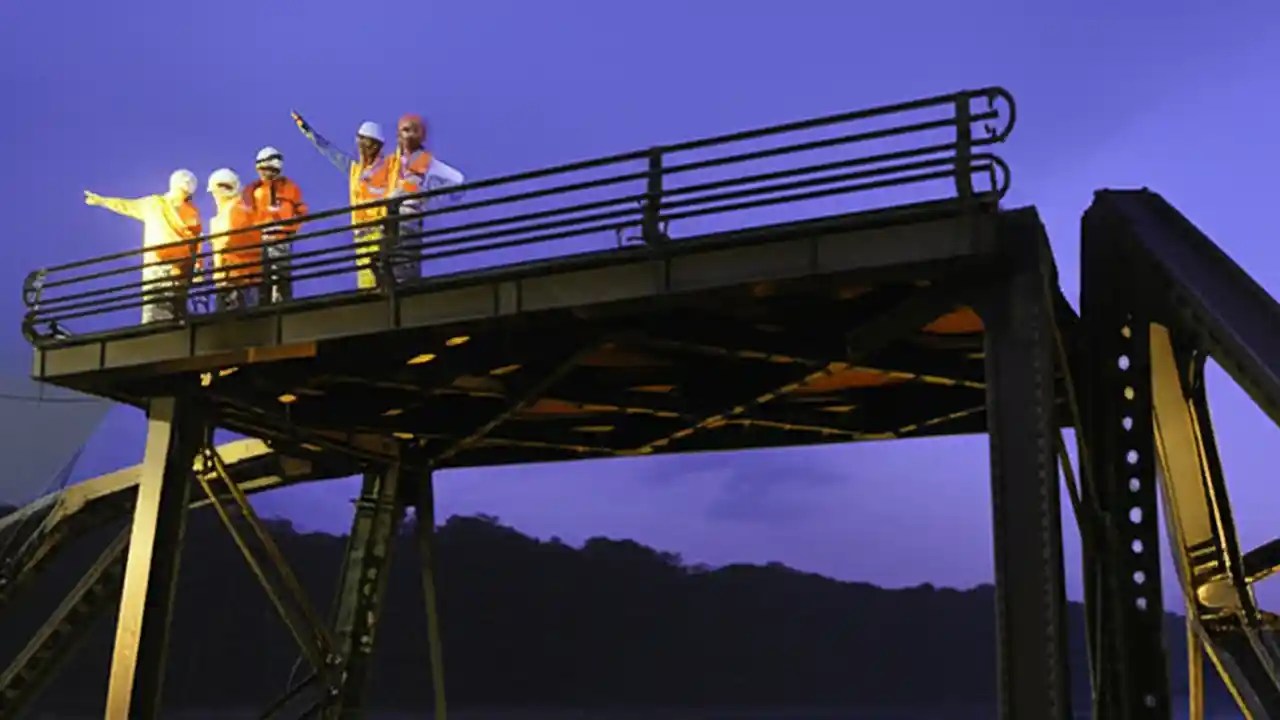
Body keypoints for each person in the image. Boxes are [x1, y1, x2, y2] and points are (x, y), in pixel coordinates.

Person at [83, 169, 202, 324]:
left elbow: (126, 206)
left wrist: (102, 201)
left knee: (158, 314)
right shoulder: (181, 210)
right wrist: (197, 267)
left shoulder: (156, 205)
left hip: (166, 270)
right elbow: (195, 242)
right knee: (170, 313)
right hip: (176, 270)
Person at [291, 111, 390, 290]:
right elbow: (329, 150)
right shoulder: (354, 169)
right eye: (359, 140)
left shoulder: (388, 170)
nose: (361, 146)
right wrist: (307, 130)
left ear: (376, 145)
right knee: (366, 281)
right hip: (361, 234)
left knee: (382, 275)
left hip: (380, 230)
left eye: (365, 141)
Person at [381, 113, 466, 284]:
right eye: (405, 130)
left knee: (406, 263)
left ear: (422, 135)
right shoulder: (392, 162)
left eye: (414, 130)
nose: (409, 135)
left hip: (409, 218)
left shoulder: (424, 160)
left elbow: (458, 181)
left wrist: (433, 194)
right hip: (390, 220)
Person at [243, 147, 308, 304]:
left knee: (281, 278)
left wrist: (290, 230)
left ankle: (283, 307)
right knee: (261, 280)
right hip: (260, 242)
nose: (264, 173)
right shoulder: (252, 190)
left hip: (281, 241)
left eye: (267, 169)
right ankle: (262, 309)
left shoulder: (290, 188)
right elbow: (245, 216)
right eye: (261, 170)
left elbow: (302, 212)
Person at [206, 168, 262, 311]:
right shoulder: (232, 211)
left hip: (236, 280)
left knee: (234, 325)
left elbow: (234, 241)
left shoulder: (235, 211)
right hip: (234, 279)